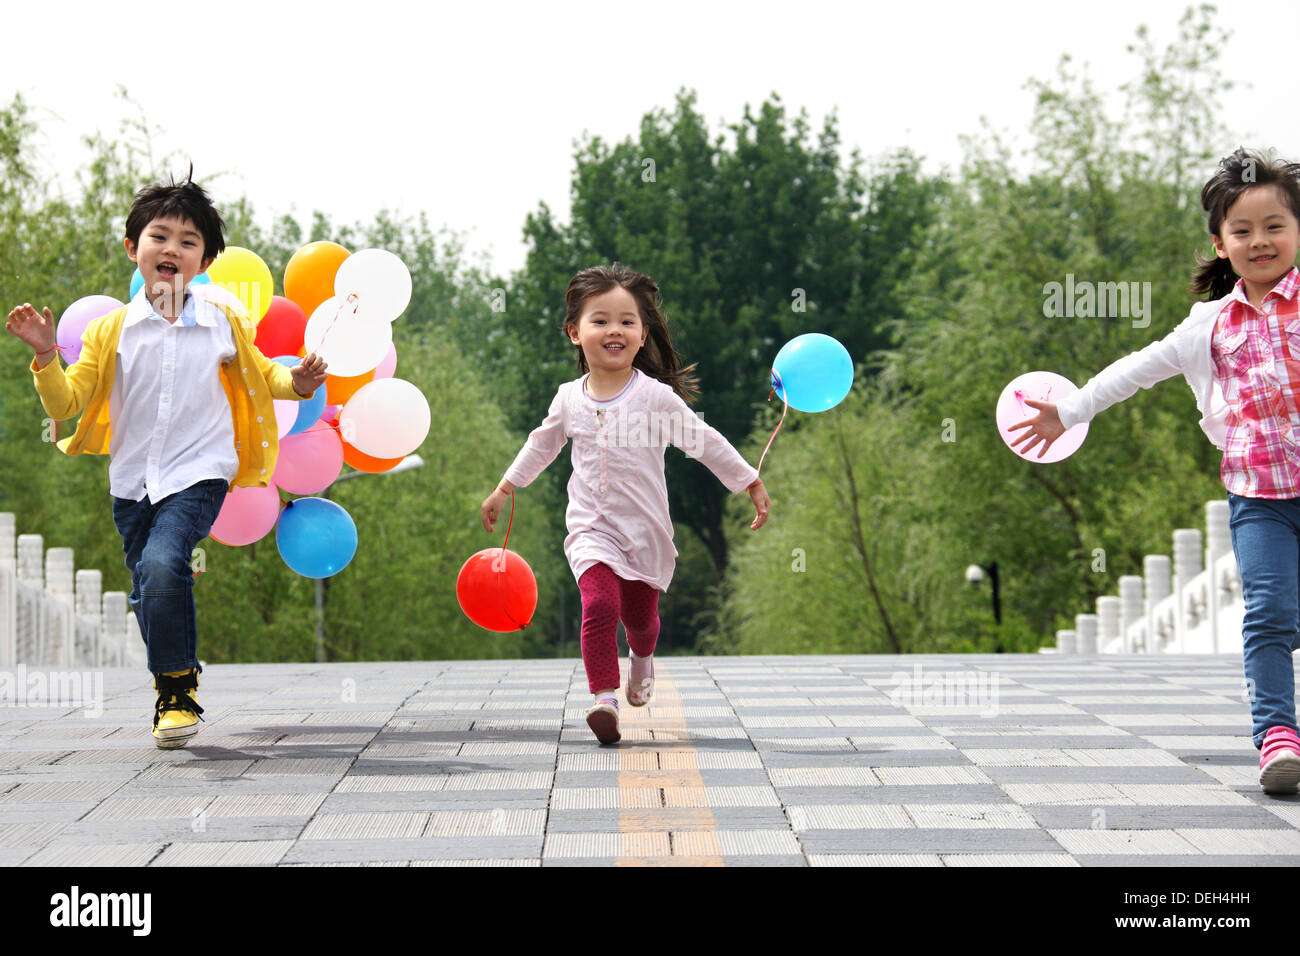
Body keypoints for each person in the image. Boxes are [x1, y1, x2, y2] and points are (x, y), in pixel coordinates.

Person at [1008, 147, 1300, 795]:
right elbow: (1136, 371)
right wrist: (1071, 410)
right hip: (1260, 499)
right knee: (1269, 614)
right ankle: (1278, 738)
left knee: (1286, 612)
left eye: (1275, 226)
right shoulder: (1211, 326)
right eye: (1243, 231)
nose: (1261, 241)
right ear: (1220, 245)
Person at [5, 174, 328, 749]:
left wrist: (297, 382)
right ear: (135, 249)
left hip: (200, 473)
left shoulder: (222, 323)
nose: (172, 249)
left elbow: (261, 373)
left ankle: (175, 691)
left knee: (162, 565)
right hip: (132, 484)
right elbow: (68, 403)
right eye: (160, 236)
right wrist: (46, 354)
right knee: (148, 585)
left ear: (204, 259)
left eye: (188, 241)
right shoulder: (112, 331)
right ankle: (179, 674)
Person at [481, 264, 771, 744]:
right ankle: (604, 700)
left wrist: (749, 482)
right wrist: (505, 487)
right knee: (598, 603)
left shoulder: (655, 398)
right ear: (575, 333)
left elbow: (703, 441)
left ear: (641, 335)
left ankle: (641, 661)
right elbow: (541, 444)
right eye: (600, 320)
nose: (613, 329)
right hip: (591, 529)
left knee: (641, 620)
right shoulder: (568, 399)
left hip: (646, 534)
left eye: (627, 321)